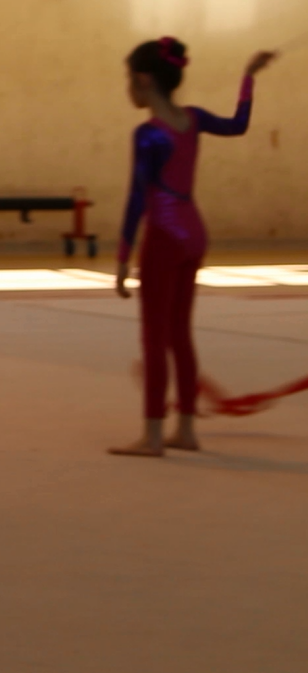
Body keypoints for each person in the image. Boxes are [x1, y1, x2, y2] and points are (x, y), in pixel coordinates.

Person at [109, 38, 276, 457]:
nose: (127, 88)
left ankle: (151, 436)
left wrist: (122, 257)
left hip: (164, 237)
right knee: (180, 335)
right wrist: (248, 77)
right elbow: (238, 124)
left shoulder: (148, 134)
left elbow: (136, 199)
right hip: (194, 233)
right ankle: (184, 429)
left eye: (129, 80)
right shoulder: (194, 119)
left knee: (154, 338)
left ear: (145, 80)